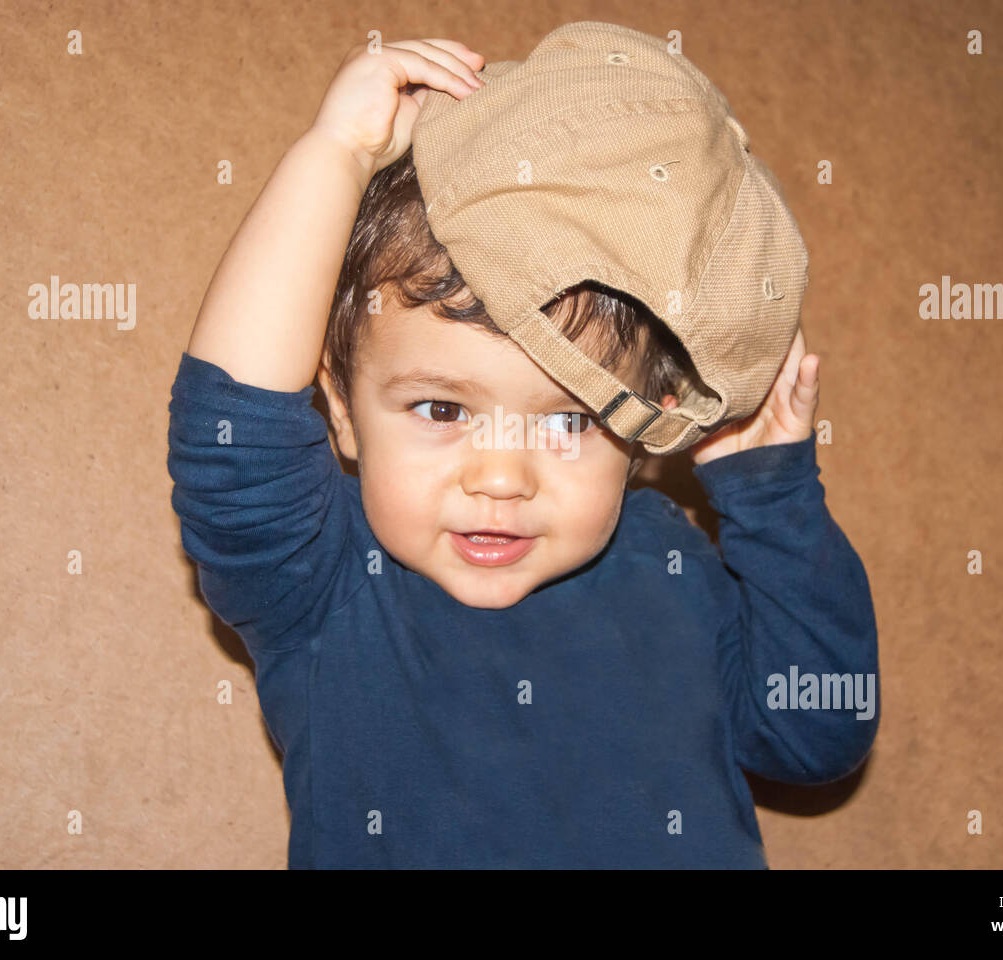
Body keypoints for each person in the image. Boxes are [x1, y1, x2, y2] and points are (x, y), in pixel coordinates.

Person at [167, 29, 878, 868]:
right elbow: (232, 436)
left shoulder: (677, 567)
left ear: (648, 431)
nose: (501, 476)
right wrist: (337, 155)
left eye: (570, 422)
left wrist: (770, 493)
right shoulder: (326, 581)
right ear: (344, 415)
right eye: (441, 407)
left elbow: (817, 733)